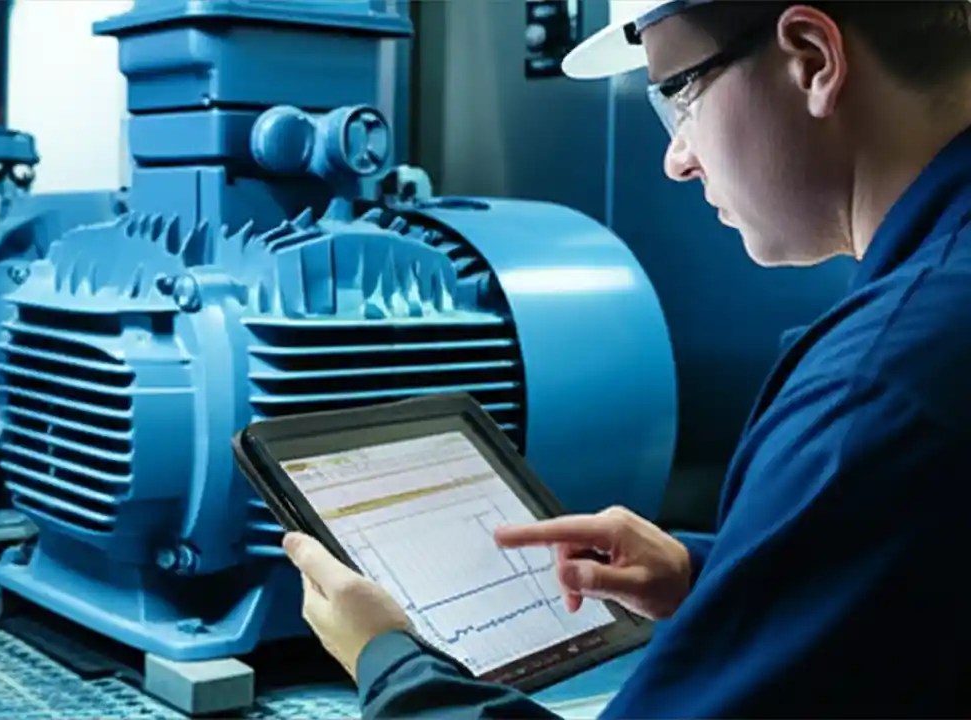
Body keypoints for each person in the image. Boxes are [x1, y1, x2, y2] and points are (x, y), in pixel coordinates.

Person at [281, 1, 971, 717]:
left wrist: (387, 658)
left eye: (679, 94)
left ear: (813, 60)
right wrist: (716, 577)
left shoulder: (883, 383)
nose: (677, 159)